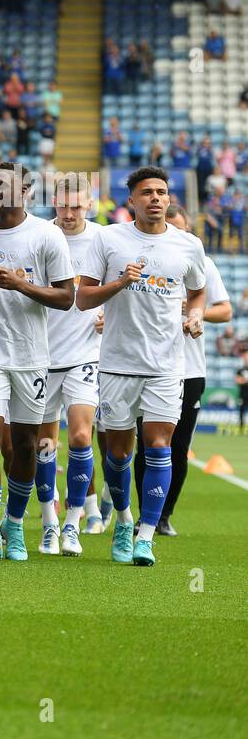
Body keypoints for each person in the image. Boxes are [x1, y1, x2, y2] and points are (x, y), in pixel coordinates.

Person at [77, 166, 206, 567]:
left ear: (168, 199)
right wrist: (119, 283)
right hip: (117, 363)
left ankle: (146, 535)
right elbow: (82, 298)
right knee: (117, 454)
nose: (155, 198)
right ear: (131, 200)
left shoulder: (188, 245)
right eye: (146, 192)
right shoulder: (108, 238)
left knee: (159, 446)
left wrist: (196, 315)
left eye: (161, 192)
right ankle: (122, 517)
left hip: (168, 365)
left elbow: (198, 292)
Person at [0, 162, 75, 562]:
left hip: (31, 356)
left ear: (25, 192)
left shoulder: (47, 235)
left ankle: (15, 525)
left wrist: (21, 284)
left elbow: (66, 297)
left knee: (24, 446)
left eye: (4, 186)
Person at [131, 205, 231, 537]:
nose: (175, 235)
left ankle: (164, 514)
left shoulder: (200, 262)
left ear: (188, 232)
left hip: (189, 369)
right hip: (148, 365)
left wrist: (196, 312)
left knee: (177, 446)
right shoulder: (143, 261)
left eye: (181, 229)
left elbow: (225, 309)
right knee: (146, 445)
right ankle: (146, 513)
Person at [34, 173, 106, 557]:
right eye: (62, 205)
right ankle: (49, 522)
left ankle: (74, 521)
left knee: (80, 436)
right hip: (42, 357)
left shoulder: (103, 240)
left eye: (77, 206)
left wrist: (108, 314)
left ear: (90, 204)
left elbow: (118, 288)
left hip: (84, 354)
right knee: (44, 443)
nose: (69, 213)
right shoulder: (40, 236)